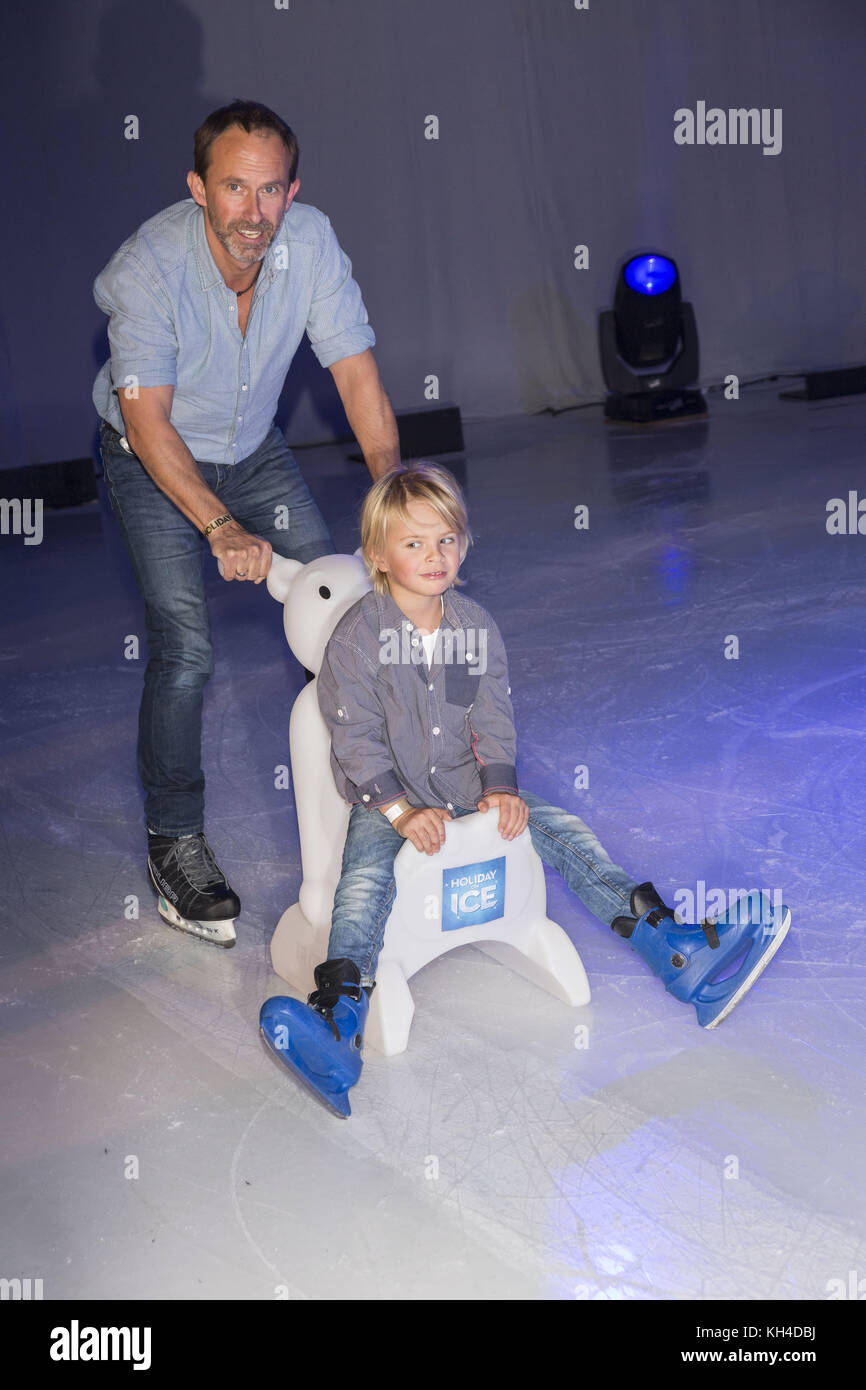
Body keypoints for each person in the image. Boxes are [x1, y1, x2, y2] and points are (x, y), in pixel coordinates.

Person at [259, 464, 791, 1115]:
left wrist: (501, 788)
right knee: (366, 879)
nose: (434, 556)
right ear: (377, 555)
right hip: (385, 801)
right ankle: (338, 1019)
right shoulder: (356, 640)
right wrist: (398, 810)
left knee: (564, 831)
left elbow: (486, 718)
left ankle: (674, 948)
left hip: (461, 787)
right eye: (413, 543)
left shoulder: (470, 628)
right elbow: (356, 738)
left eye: (446, 540)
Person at [92, 100, 400, 947]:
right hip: (150, 455)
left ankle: (378, 803)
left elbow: (356, 374)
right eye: (234, 188)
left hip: (252, 450)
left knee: (346, 610)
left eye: (270, 191)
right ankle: (175, 844)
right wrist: (221, 526)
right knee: (187, 642)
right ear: (199, 188)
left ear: (291, 191)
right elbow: (150, 424)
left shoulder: (312, 243)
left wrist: (392, 496)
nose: (254, 213)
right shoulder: (147, 269)